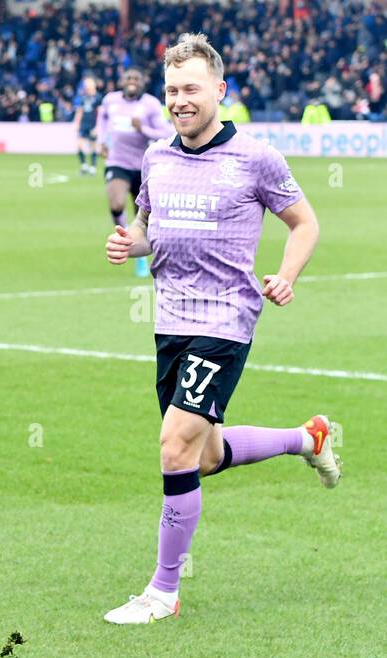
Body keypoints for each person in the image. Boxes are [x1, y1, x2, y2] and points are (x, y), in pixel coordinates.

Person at [102, 34, 336, 625]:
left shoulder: (256, 157)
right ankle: (308, 439)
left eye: (191, 89)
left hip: (225, 320)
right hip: (169, 322)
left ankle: (163, 591)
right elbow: (151, 229)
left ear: (220, 90)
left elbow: (304, 223)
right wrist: (131, 240)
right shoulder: (156, 157)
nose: (180, 100)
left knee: (174, 444)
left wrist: (287, 274)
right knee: (202, 457)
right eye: (173, 89)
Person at [95, 68, 173, 276]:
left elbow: (166, 132)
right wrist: (101, 141)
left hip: (144, 165)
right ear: (122, 80)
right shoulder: (110, 100)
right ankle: (125, 241)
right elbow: (102, 121)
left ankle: (141, 254)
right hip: (117, 162)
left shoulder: (150, 104)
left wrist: (143, 129)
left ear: (143, 82)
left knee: (142, 214)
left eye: (136, 78)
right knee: (116, 203)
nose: (132, 82)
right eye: (129, 78)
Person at [74, 76, 101, 175]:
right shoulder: (82, 97)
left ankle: (93, 167)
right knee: (79, 145)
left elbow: (99, 113)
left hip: (92, 123)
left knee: (93, 146)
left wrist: (98, 126)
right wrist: (77, 123)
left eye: (88, 85)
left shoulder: (98, 97)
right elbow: (79, 111)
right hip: (83, 124)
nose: (86, 87)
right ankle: (84, 166)